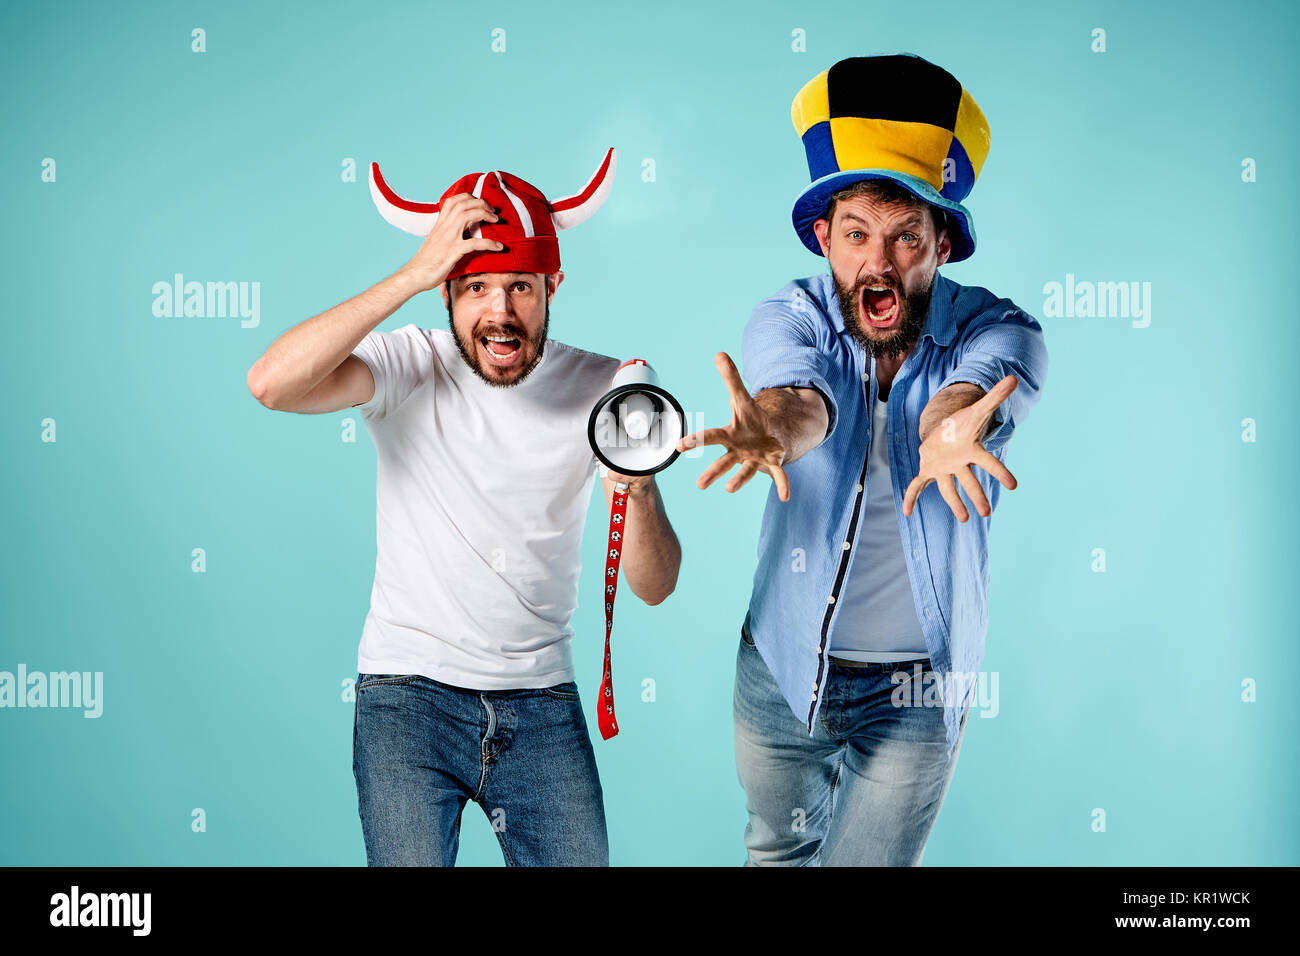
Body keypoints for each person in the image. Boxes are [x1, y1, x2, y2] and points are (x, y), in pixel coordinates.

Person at [246, 149, 681, 866]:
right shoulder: (406, 363)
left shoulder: (606, 389)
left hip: (542, 702)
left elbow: (654, 585)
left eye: (519, 287)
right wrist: (413, 273)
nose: (499, 312)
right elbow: (271, 383)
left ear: (553, 285)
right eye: (474, 287)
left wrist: (635, 481)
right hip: (407, 699)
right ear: (447, 294)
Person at [680, 54, 1049, 865]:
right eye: (856, 234)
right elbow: (798, 396)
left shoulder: (1002, 328)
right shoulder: (791, 314)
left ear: (941, 243)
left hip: (915, 691)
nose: (877, 263)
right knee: (777, 853)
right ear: (825, 237)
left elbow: (972, 392)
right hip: (781, 666)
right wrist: (772, 428)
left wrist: (954, 428)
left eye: (905, 236)